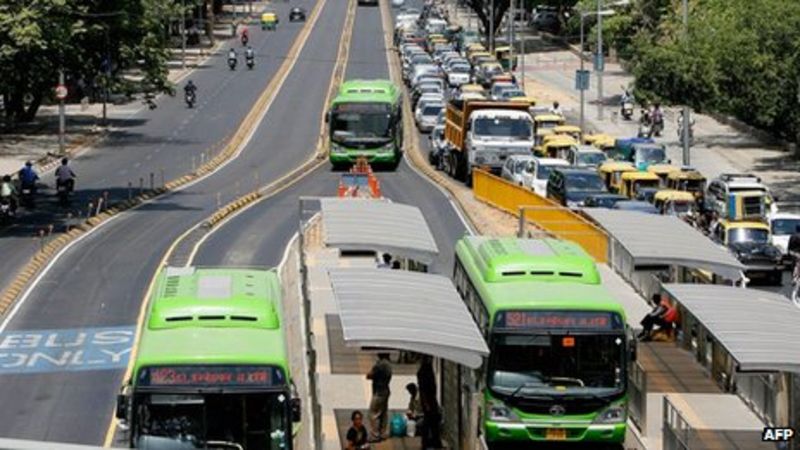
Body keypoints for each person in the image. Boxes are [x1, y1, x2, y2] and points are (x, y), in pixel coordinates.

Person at [417, 356, 442, 449]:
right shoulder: (424, 371)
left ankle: (433, 442)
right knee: (429, 422)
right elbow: (422, 390)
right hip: (428, 401)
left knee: (432, 422)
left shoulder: (428, 369)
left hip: (431, 399)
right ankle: (430, 442)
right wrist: (426, 404)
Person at [366, 353, 392, 442]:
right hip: (386, 390)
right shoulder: (388, 364)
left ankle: (375, 435)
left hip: (378, 391)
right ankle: (383, 432)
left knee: (373, 413)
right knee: (383, 413)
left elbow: (369, 375)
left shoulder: (379, 365)